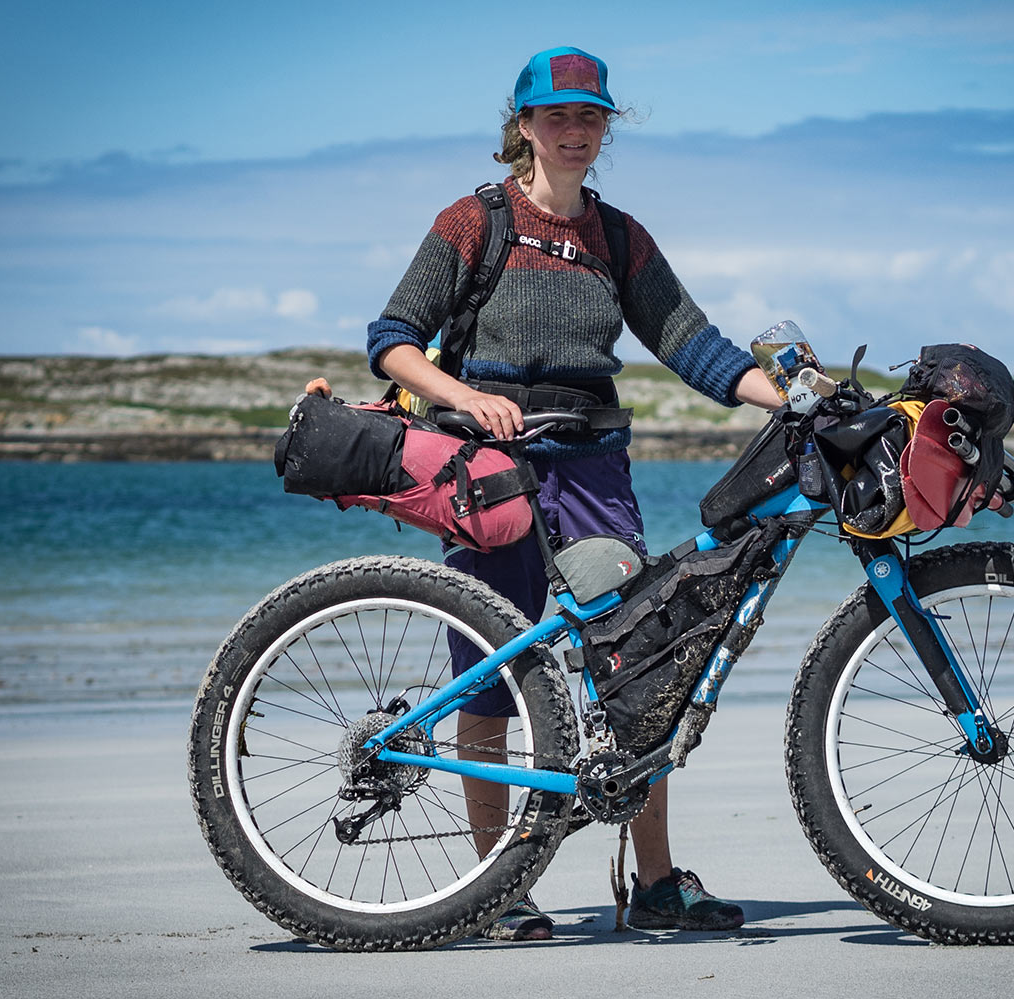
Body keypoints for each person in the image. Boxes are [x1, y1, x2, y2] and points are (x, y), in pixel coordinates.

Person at [305, 45, 783, 940]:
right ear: (523, 125)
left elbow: (696, 346)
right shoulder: (471, 223)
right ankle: (497, 886)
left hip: (595, 467)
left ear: (607, 129)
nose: (574, 131)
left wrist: (789, 395)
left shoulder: (620, 236)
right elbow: (393, 339)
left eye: (590, 117)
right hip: (488, 472)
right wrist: (463, 398)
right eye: (556, 116)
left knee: (637, 667)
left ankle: (656, 886)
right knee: (491, 673)